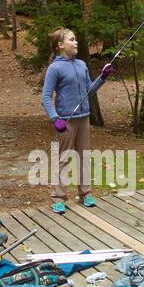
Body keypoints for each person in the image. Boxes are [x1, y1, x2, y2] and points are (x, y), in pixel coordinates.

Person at [40, 27, 112, 213]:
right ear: (60, 45)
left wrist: (102, 77)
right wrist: (55, 118)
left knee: (84, 158)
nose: (76, 42)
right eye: (72, 39)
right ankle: (58, 198)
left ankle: (85, 194)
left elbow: (90, 91)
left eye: (76, 39)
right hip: (65, 121)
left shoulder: (81, 65)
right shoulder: (55, 68)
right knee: (64, 159)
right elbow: (46, 97)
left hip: (84, 118)